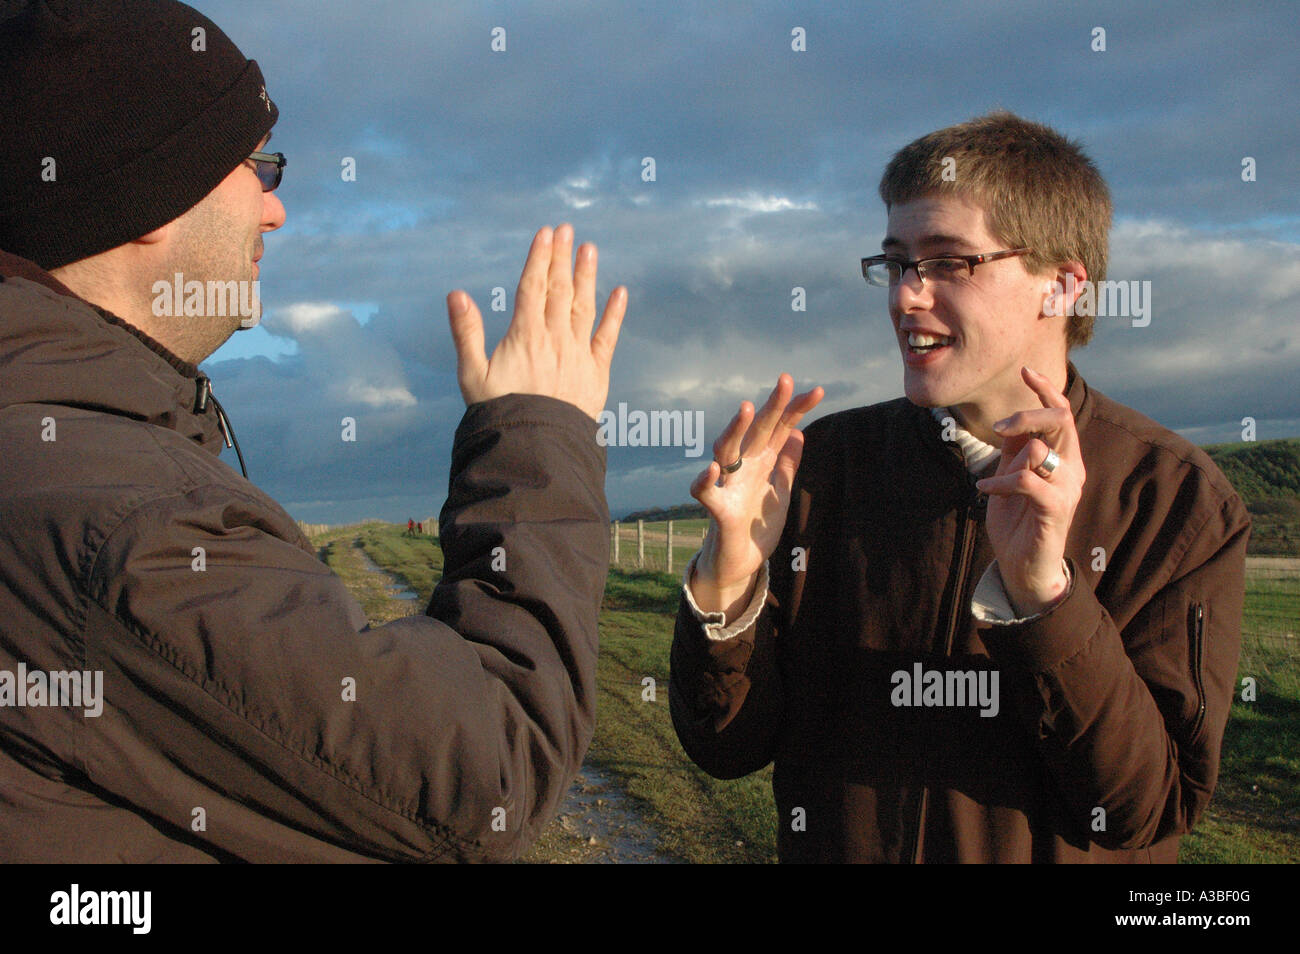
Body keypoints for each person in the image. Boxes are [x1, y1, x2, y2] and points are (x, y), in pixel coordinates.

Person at [0, 0, 626, 862]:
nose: (274, 210)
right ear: (150, 190)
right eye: (257, 165)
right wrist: (539, 434)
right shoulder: (127, 534)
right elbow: (484, 776)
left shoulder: (51, 458)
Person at [671, 111, 1250, 863]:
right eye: (897, 262)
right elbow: (725, 747)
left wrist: (1047, 599)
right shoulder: (817, 469)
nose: (906, 297)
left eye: (950, 262)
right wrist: (731, 580)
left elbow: (1141, 810)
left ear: (1063, 285)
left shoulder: (1174, 502)